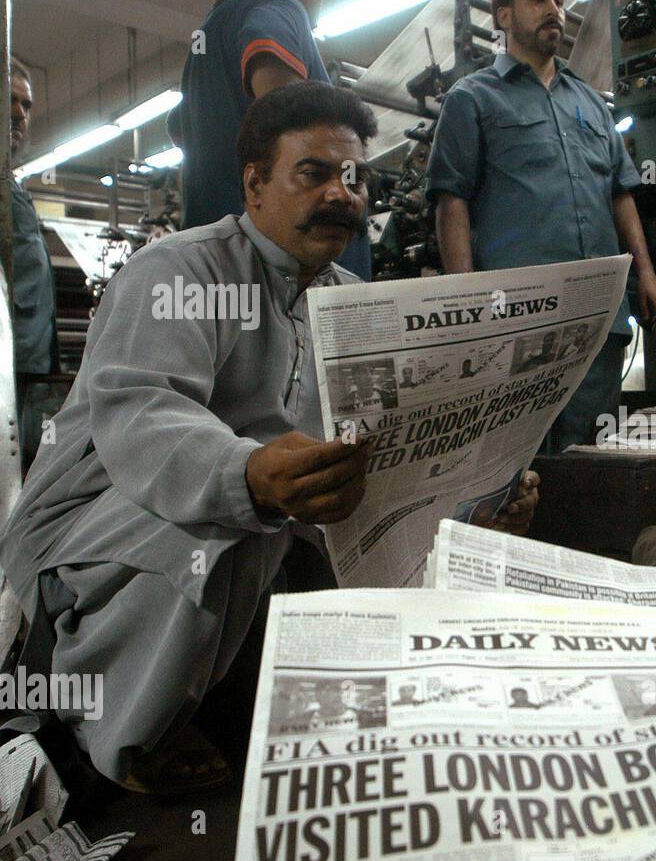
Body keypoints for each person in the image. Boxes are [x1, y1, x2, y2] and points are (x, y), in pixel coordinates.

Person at [0, 82, 539, 793]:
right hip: (89, 530)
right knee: (240, 516)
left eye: (356, 178)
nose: (343, 195)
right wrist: (247, 472)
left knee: (356, 525)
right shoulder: (179, 270)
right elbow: (142, 416)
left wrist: (473, 499)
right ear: (254, 185)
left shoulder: (347, 301)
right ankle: (118, 727)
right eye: (314, 174)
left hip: (253, 525)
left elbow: (378, 450)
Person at [427, 0, 656, 453]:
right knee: (516, 461)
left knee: (590, 455)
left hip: (598, 317)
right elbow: (450, 200)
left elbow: (620, 194)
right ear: (504, 17)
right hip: (516, 321)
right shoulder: (472, 98)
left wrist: (647, 273)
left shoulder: (592, 104)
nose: (554, 9)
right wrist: (464, 301)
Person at [174, 0, 371, 279]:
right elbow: (292, 123)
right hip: (284, 268)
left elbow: (176, 128)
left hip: (216, 260)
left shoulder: (208, 34)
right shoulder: (276, 6)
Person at [8, 58, 59, 469]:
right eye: (9, 100)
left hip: (27, 360)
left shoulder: (11, 186)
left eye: (26, 105)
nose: (19, 114)